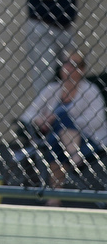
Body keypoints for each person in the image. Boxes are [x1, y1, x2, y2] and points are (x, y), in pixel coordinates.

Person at [19, 51, 107, 206]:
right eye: (66, 62)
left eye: (75, 64)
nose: (69, 67)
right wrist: (42, 119)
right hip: (60, 140)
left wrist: (64, 118)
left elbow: (97, 120)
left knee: (61, 117)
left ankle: (55, 195)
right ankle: (73, 155)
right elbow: (28, 115)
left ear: (82, 69)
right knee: (58, 129)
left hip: (89, 140)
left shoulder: (90, 90)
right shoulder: (52, 89)